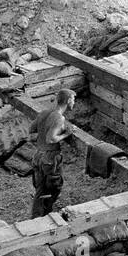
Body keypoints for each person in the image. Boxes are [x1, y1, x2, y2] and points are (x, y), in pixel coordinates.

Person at [30, 89, 76, 217]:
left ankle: (36, 217)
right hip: (50, 158)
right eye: (73, 99)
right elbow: (51, 138)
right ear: (68, 101)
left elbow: (31, 129)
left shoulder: (44, 112)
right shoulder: (59, 118)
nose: (74, 102)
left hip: (38, 155)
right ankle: (45, 215)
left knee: (40, 189)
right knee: (54, 188)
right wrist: (66, 133)